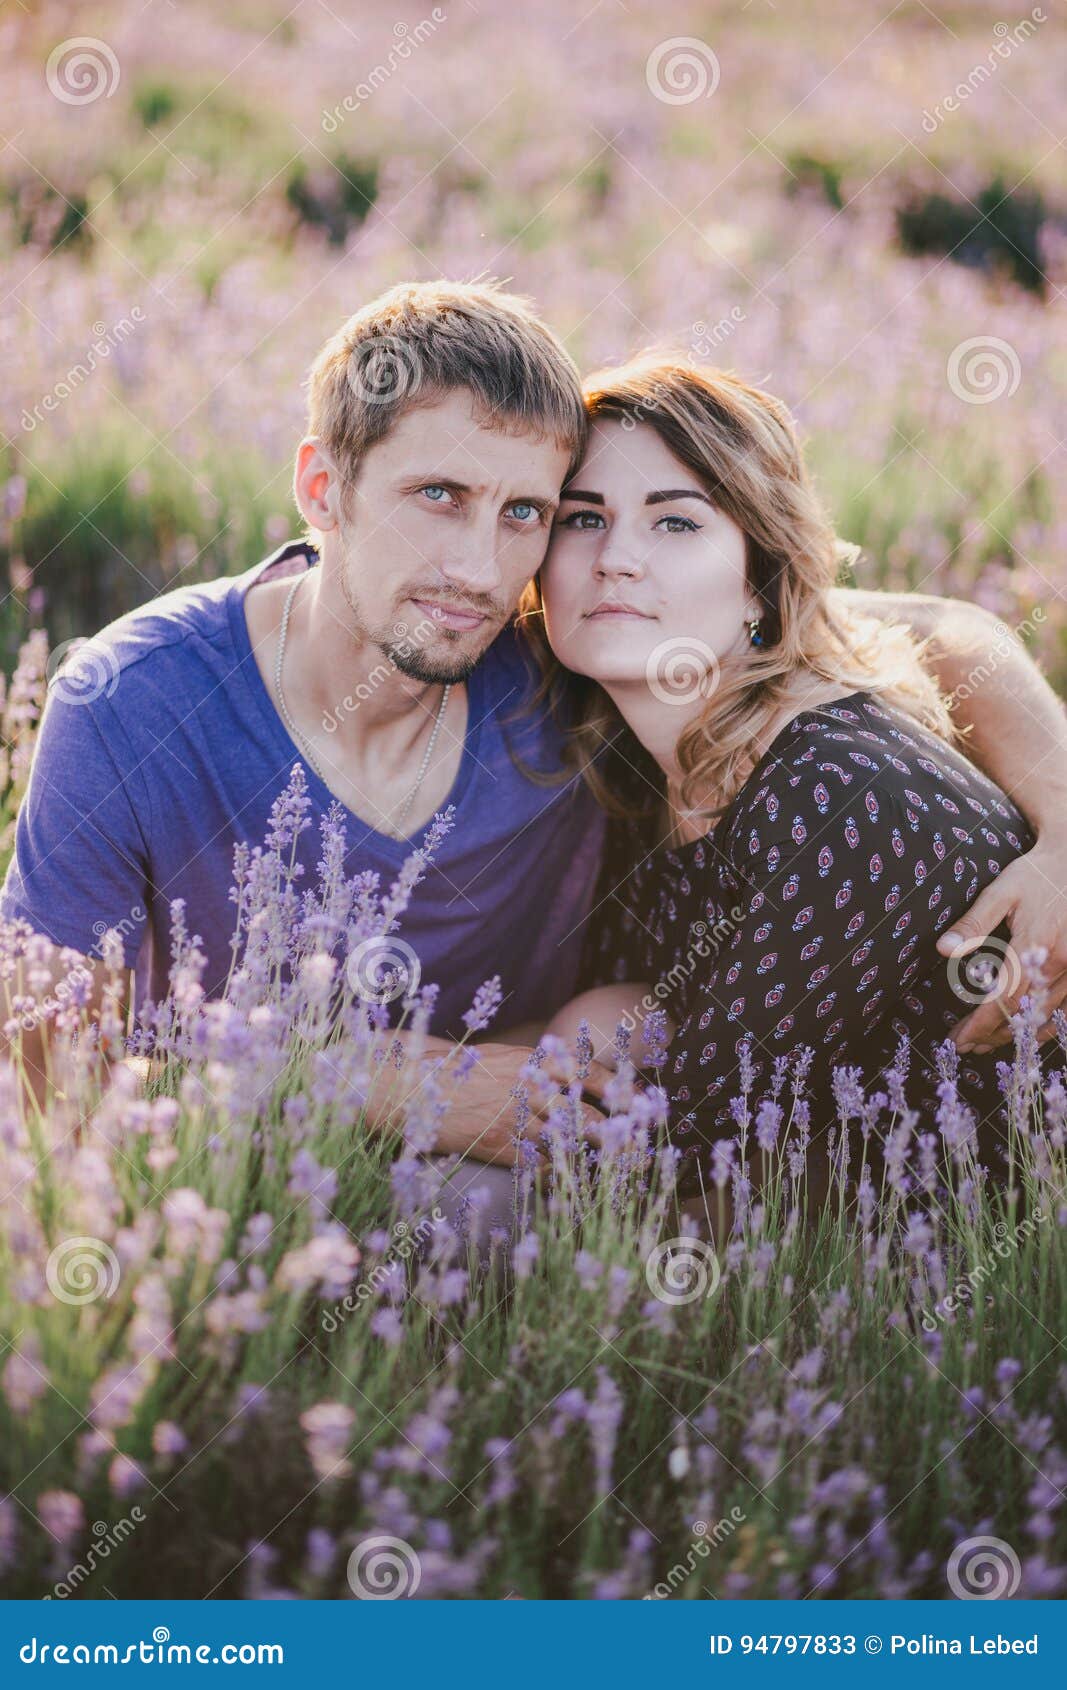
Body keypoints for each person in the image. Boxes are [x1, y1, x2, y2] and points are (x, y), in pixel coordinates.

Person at [3, 283, 1067, 1183]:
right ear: (322, 487)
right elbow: (50, 1084)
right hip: (257, 1159)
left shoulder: (550, 652)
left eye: (526, 511)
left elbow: (931, 630)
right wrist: (398, 1076)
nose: (479, 566)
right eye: (438, 494)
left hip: (586, 1157)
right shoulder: (134, 703)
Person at [531, 356, 1057, 1184]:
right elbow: (941, 620)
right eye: (580, 517)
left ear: (758, 579)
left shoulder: (840, 792)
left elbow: (692, 1143)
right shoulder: (638, 745)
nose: (615, 559)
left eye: (675, 523)